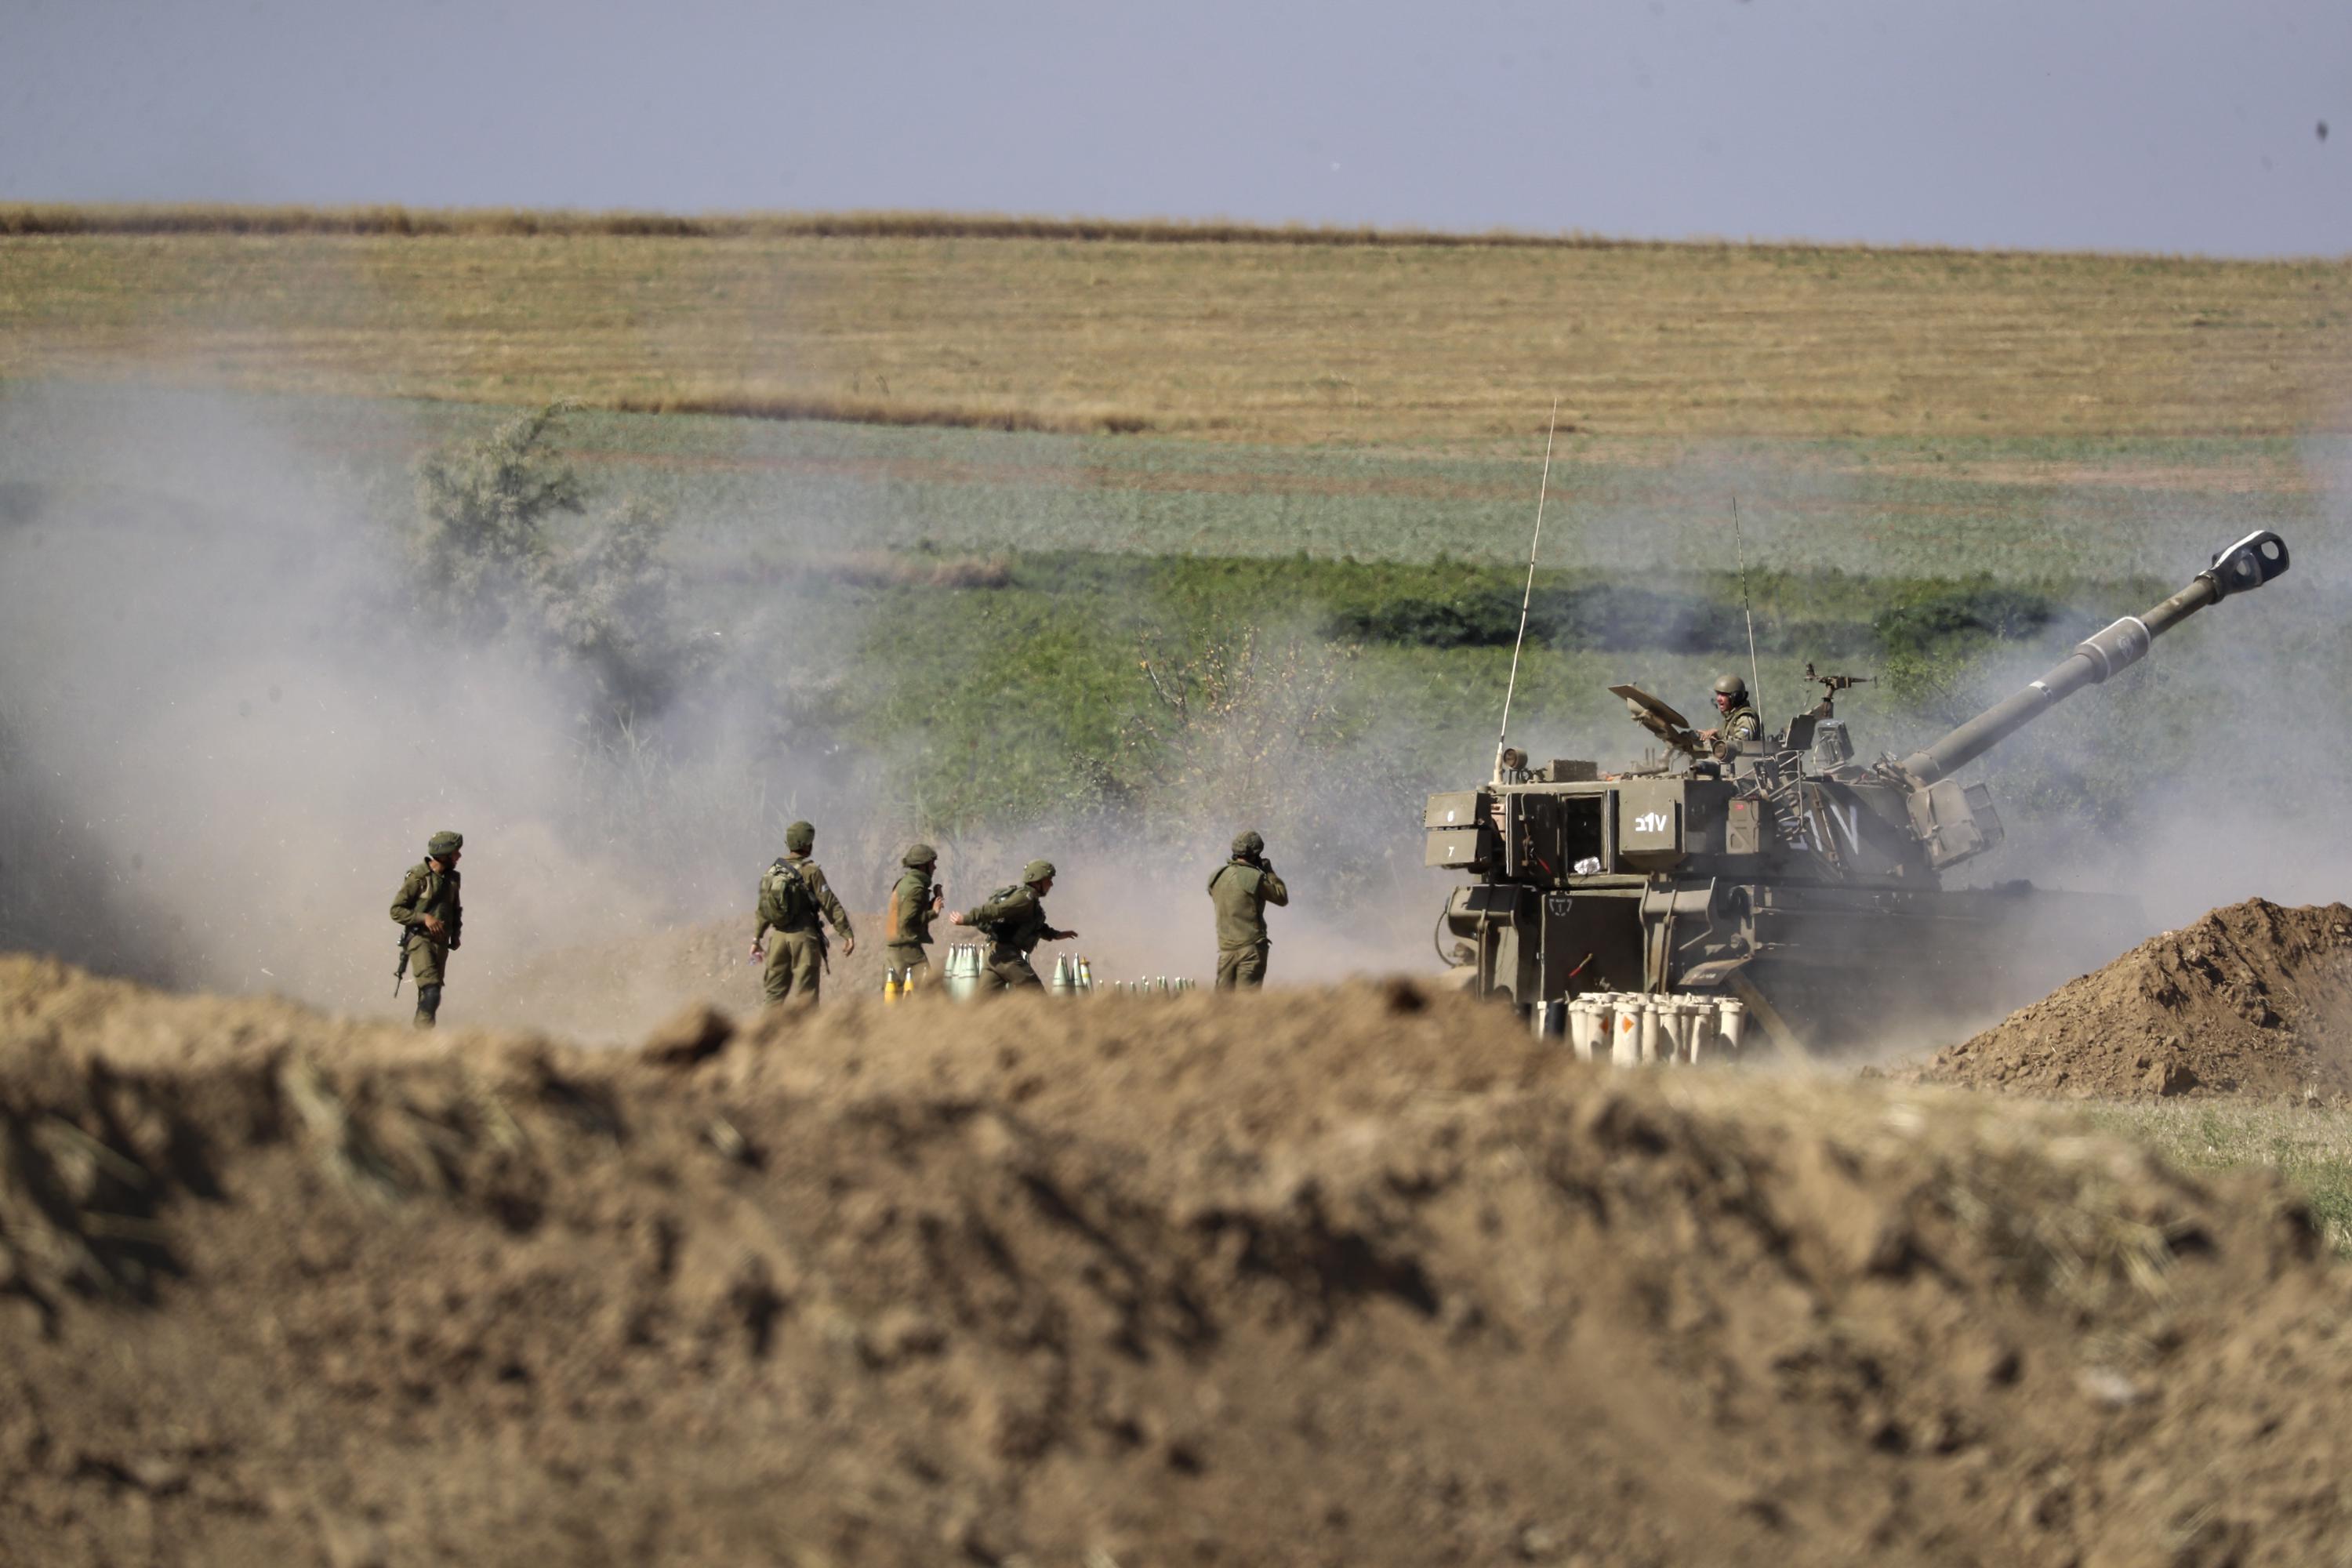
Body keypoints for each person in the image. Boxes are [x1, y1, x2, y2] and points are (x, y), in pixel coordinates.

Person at [749, 819, 855, 1007]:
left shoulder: (773, 871)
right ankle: (805, 1036)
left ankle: (767, 1035)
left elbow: (762, 910)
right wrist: (846, 932)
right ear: (807, 845)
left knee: (774, 996)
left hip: (778, 939)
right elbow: (829, 902)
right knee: (807, 998)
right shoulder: (811, 871)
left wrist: (756, 939)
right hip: (803, 938)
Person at [947, 858, 1076, 992]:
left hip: (994, 955)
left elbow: (1034, 925)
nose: (1051, 884)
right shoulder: (1025, 899)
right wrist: (966, 919)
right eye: (1048, 879)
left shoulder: (1030, 901)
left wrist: (1056, 935)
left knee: (982, 1005)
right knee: (1037, 996)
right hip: (1006, 956)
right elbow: (997, 910)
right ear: (1038, 881)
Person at [390, 829, 465, 1029]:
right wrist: (424, 918)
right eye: (455, 852)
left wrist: (455, 935)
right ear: (444, 853)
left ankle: (419, 1040)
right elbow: (396, 910)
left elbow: (455, 909)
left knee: (429, 994)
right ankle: (422, 1034)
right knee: (431, 991)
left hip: (440, 942)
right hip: (420, 939)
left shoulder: (452, 880)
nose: (459, 856)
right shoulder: (418, 878)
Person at [1208, 829, 1288, 990]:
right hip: (1250, 950)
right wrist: (1270, 872)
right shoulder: (1254, 877)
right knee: (1247, 1005)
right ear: (1256, 855)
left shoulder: (1217, 876)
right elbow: (1281, 898)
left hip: (1226, 950)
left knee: (1222, 1005)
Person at [884, 842, 943, 989]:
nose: (934, 867)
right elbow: (907, 920)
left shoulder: (904, 883)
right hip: (908, 950)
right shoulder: (917, 888)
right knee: (929, 991)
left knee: (895, 999)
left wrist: (931, 903)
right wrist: (934, 912)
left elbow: (909, 911)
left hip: (893, 950)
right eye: (932, 864)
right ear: (923, 866)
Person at [1697, 673, 1762, 759]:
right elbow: (1730, 735)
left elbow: (1741, 744)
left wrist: (1717, 743)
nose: (1718, 699)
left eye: (1723, 695)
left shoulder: (1745, 717)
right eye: (1718, 694)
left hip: (1743, 768)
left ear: (1736, 697)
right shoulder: (1733, 716)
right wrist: (1716, 733)